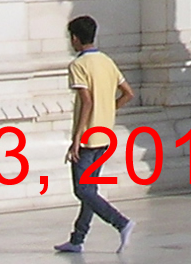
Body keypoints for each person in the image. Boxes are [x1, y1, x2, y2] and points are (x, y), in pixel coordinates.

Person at [55, 14, 137, 255]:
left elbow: (87, 101)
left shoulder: (78, 65)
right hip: (104, 134)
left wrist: (76, 140)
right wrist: (109, 111)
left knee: (82, 190)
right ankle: (77, 239)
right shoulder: (106, 61)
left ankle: (121, 223)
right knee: (89, 191)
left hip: (88, 138)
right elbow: (128, 93)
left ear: (75, 38)